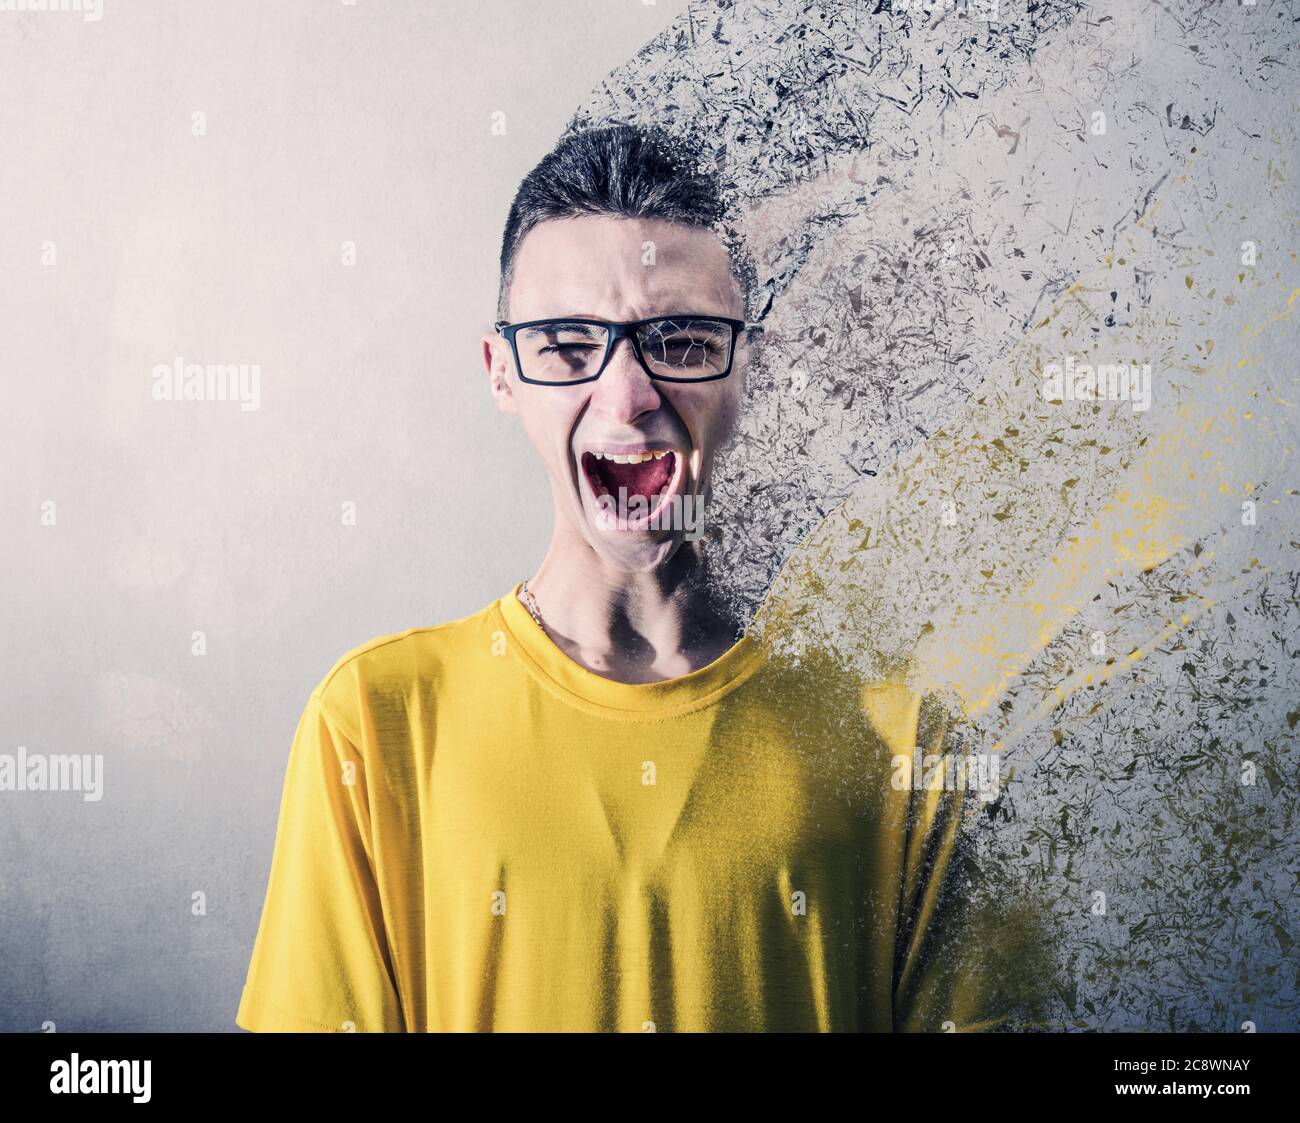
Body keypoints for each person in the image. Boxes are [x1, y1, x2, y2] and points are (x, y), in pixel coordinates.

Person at [235, 124, 1048, 1032]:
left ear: (752, 370)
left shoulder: (907, 747)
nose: (627, 397)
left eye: (683, 341)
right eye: (566, 344)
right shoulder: (374, 725)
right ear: (501, 374)